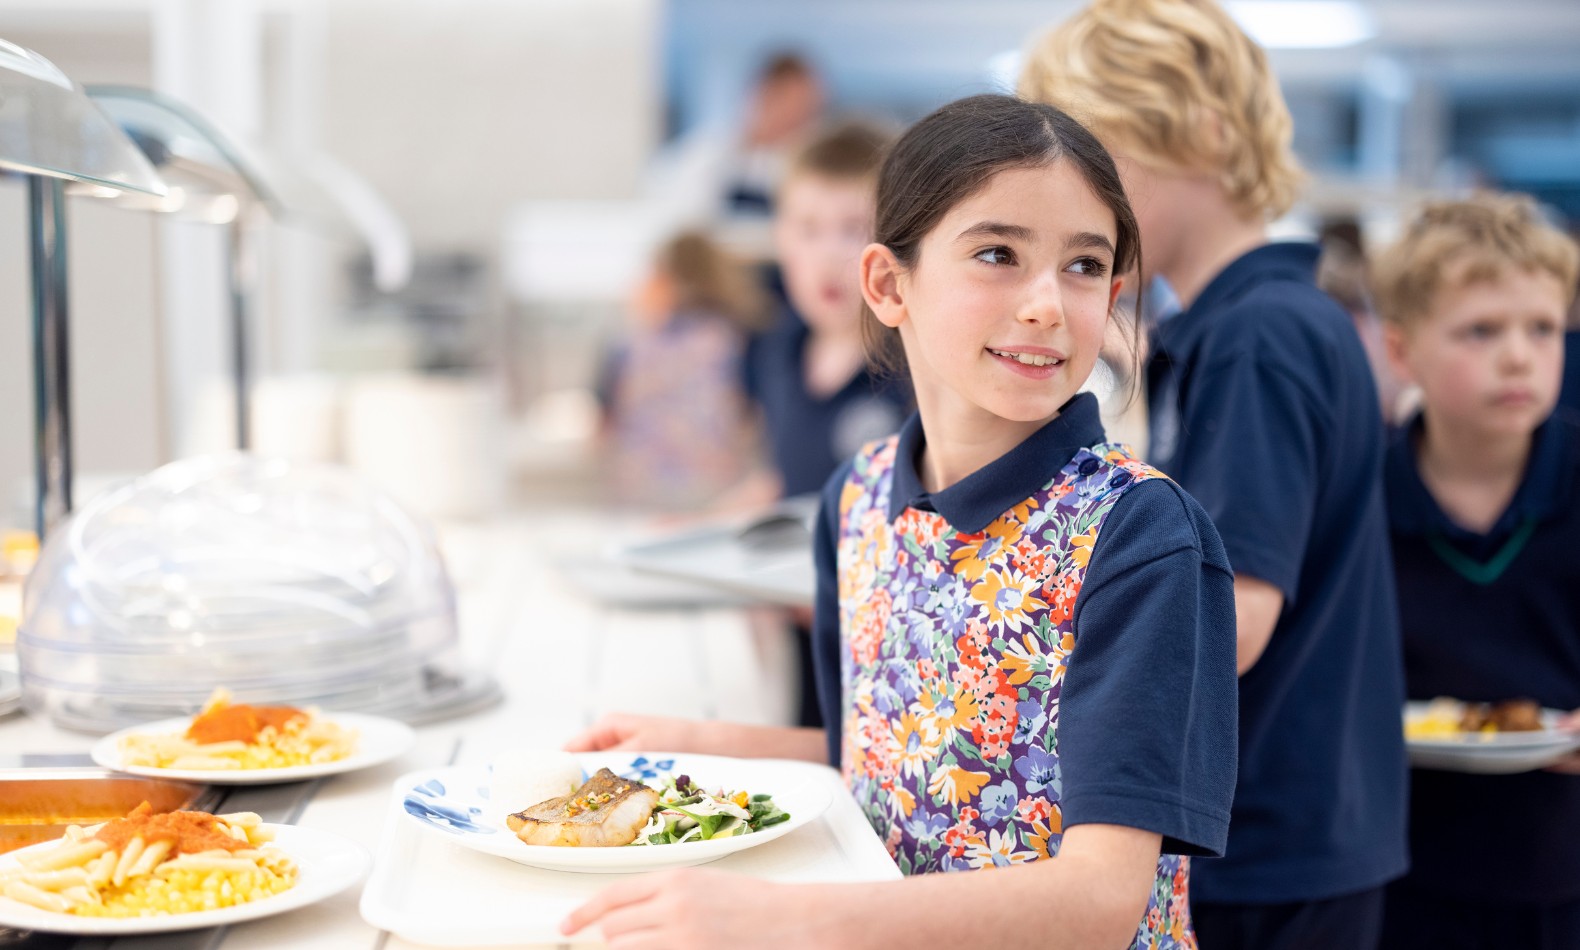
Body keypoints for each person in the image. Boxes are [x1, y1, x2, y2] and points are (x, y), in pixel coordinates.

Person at [561, 93, 1238, 950]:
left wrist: (776, 920)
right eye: (998, 253)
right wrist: (700, 743)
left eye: (1084, 266)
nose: (1047, 305)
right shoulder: (857, 498)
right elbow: (886, 761)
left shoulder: (1139, 536)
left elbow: (1100, 900)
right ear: (887, 285)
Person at [1020, 1, 1409, 947]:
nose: (1070, 191)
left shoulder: (1258, 339)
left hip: (1268, 839)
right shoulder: (1250, 325)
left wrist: (1017, 623)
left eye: (1094, 152)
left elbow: (1232, 619)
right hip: (1299, 820)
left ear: (1197, 131)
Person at [1370, 193, 1580, 950]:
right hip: (1402, 879)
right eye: (1481, 330)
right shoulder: (1358, 498)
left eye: (1543, 328)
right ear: (1402, 352)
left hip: (1564, 877)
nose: (1519, 354)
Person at [738, 119, 912, 504]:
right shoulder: (778, 348)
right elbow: (784, 478)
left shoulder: (915, 368)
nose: (829, 257)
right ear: (781, 239)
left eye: (853, 230)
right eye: (809, 230)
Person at [595, 230, 766, 511]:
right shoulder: (742, 339)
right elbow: (755, 420)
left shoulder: (623, 344)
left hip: (638, 501)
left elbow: (602, 426)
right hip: (719, 500)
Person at [646, 52, 826, 228]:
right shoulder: (706, 153)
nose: (796, 118)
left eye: (807, 110)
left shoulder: (806, 169)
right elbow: (672, 212)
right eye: (790, 104)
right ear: (763, 94)